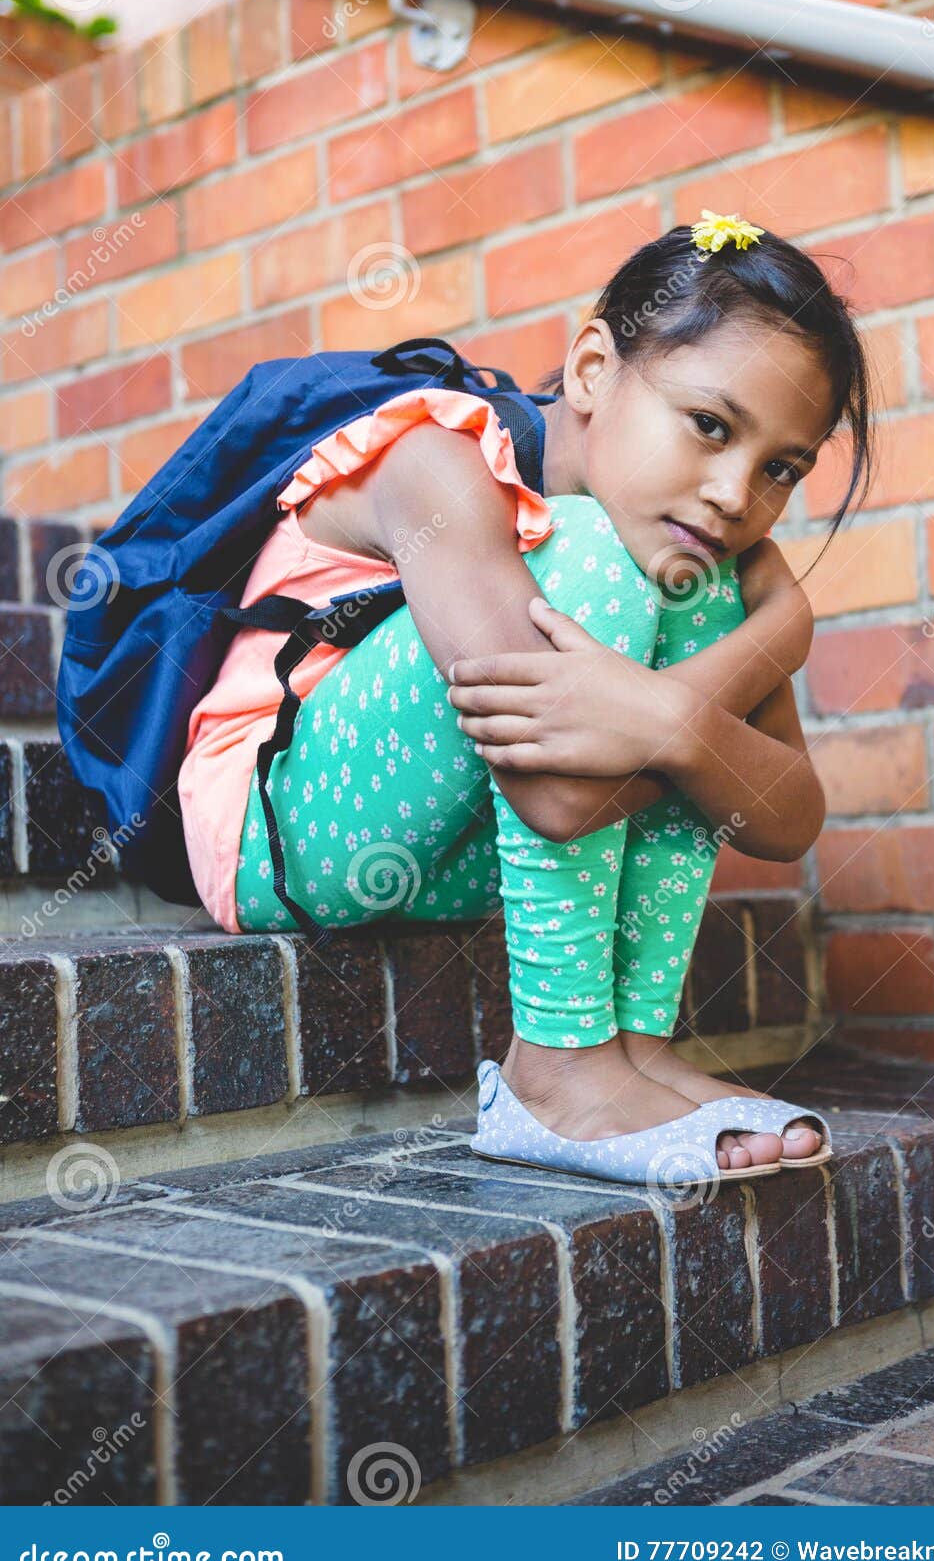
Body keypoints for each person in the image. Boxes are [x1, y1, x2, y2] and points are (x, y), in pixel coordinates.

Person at [178, 210, 872, 1185]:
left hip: (452, 851)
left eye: (780, 469)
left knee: (695, 585)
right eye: (708, 425)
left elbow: (786, 814)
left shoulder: (699, 554)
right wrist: (755, 654)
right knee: (594, 552)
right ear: (590, 366)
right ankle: (556, 1064)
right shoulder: (435, 461)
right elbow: (562, 798)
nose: (733, 492)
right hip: (284, 834)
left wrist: (688, 703)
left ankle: (631, 1040)